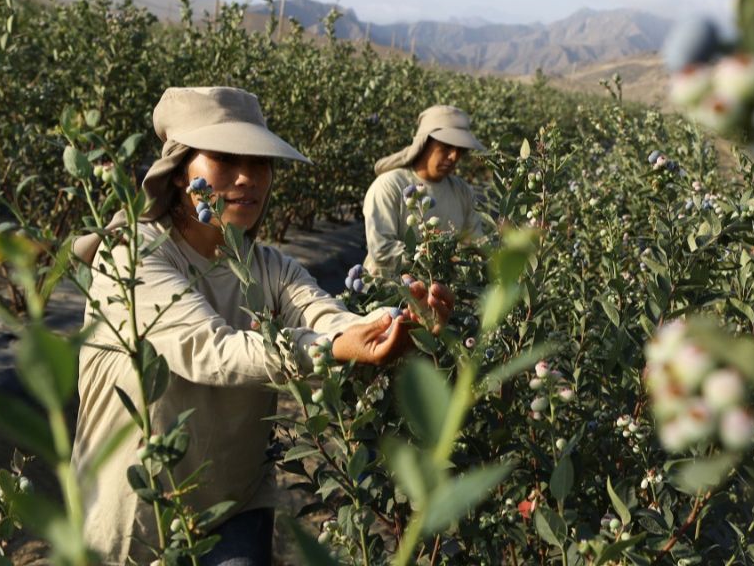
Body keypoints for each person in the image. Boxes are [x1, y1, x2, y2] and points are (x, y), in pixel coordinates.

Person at [70, 87, 451, 565]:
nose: (248, 177)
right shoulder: (131, 256)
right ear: (178, 171)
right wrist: (331, 348)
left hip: (236, 502)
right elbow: (209, 349)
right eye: (225, 159)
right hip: (141, 509)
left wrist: (393, 321)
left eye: (260, 162)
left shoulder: (268, 266)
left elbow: (325, 316)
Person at [362, 105, 484, 278]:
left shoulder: (462, 191)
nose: (453, 157)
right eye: (446, 147)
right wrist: (435, 259)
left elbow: (475, 244)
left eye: (460, 150)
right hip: (391, 289)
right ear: (424, 143)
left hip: (442, 291)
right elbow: (382, 250)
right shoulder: (390, 185)